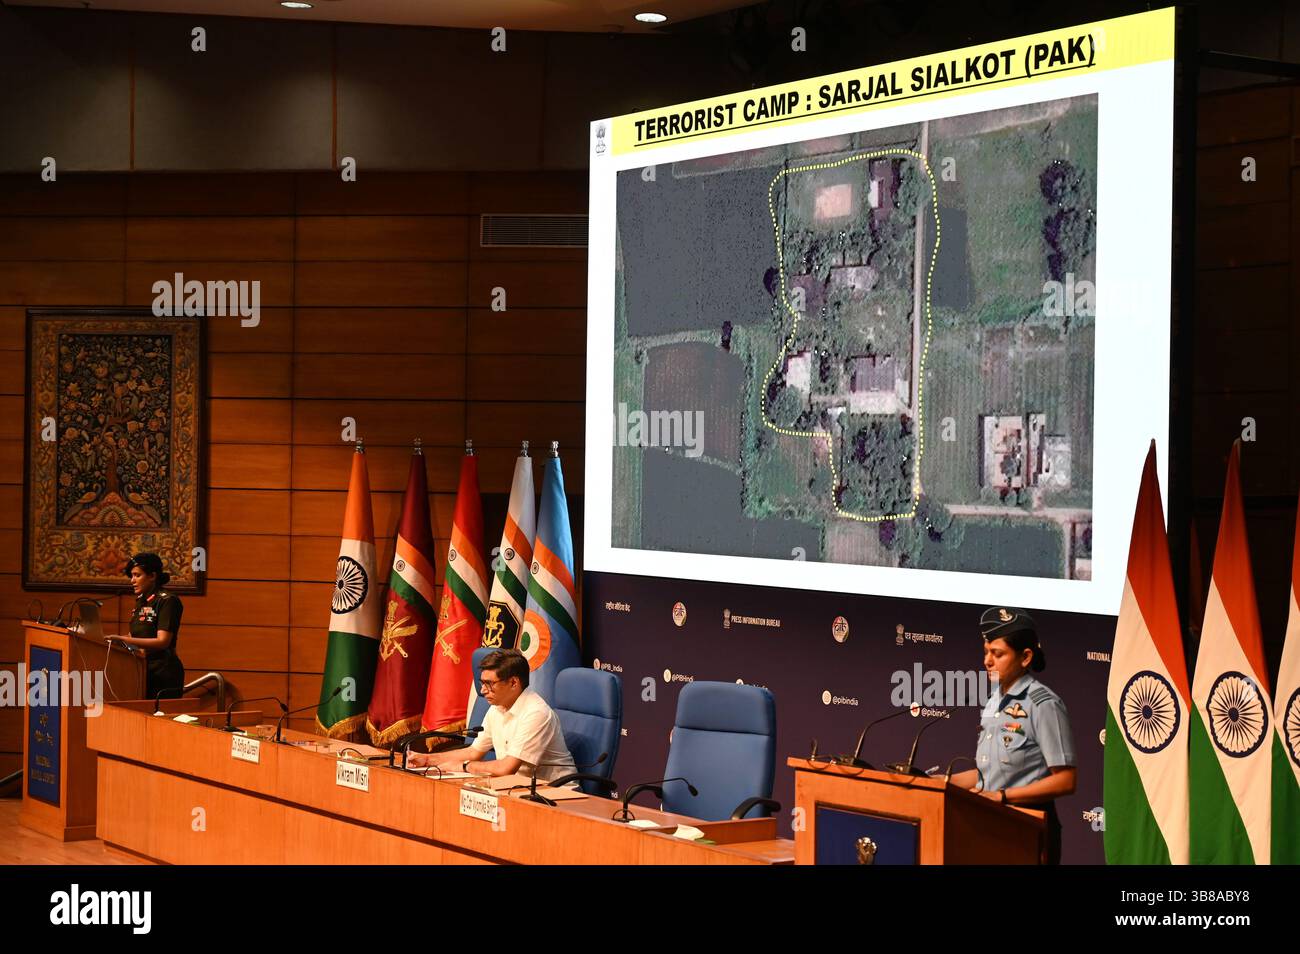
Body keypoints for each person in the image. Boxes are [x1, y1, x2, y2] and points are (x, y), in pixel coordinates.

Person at [948, 606, 1077, 864]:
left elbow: (1065, 780)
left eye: (997, 654)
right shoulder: (995, 700)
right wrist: (943, 782)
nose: (987, 661)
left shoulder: (1044, 704)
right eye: (986, 652)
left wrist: (1002, 797)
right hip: (989, 827)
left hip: (1027, 829)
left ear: (1026, 657)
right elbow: (991, 773)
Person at [406, 648, 576, 783]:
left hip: (556, 794)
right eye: (482, 683)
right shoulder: (497, 707)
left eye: (489, 683)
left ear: (513, 683)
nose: (482, 690)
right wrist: (427, 760)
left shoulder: (536, 713)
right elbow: (474, 752)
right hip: (516, 786)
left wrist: (464, 767)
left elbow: (506, 768)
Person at [108, 552, 186, 700]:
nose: (132, 580)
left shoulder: (168, 601)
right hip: (141, 669)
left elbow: (162, 641)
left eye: (137, 575)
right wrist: (112, 640)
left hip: (162, 672)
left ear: (152, 576)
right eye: (131, 576)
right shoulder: (141, 601)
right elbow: (136, 636)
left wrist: (122, 639)